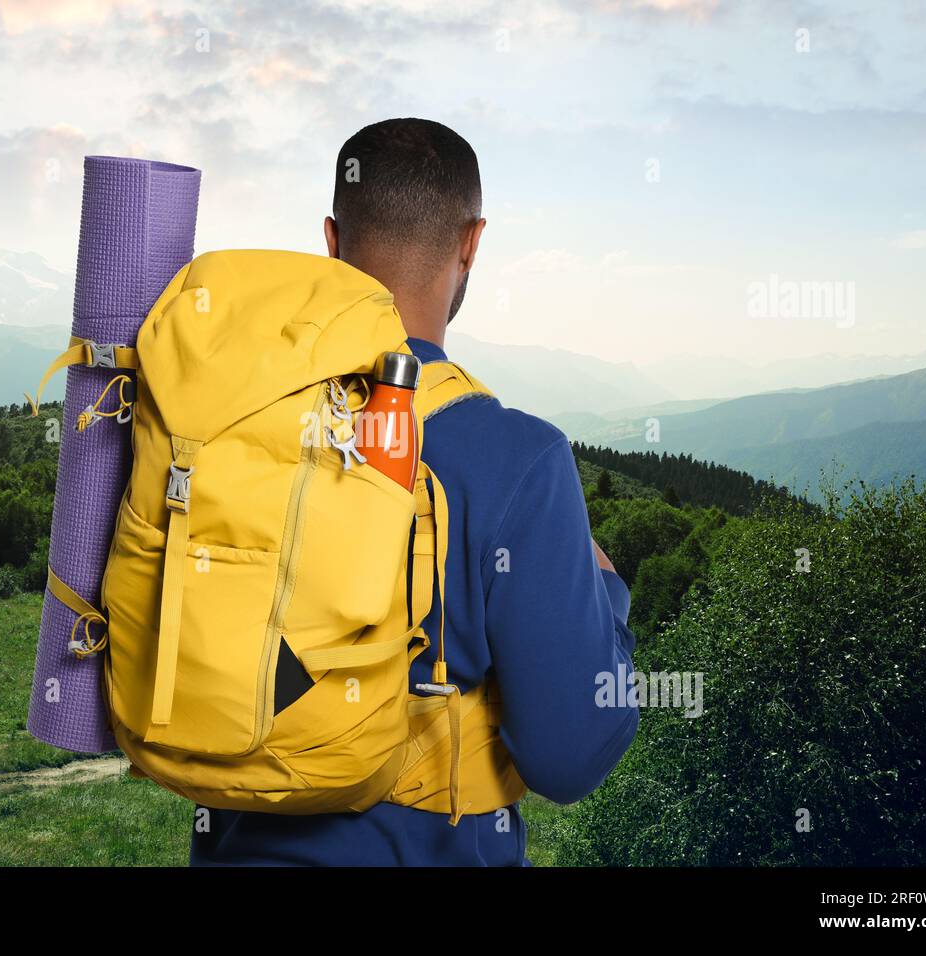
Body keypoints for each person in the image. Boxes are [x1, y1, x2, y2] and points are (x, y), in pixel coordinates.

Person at [191, 118, 638, 866]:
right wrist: (609, 597)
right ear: (471, 243)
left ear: (331, 242)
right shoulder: (522, 461)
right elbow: (572, 756)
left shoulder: (231, 425)